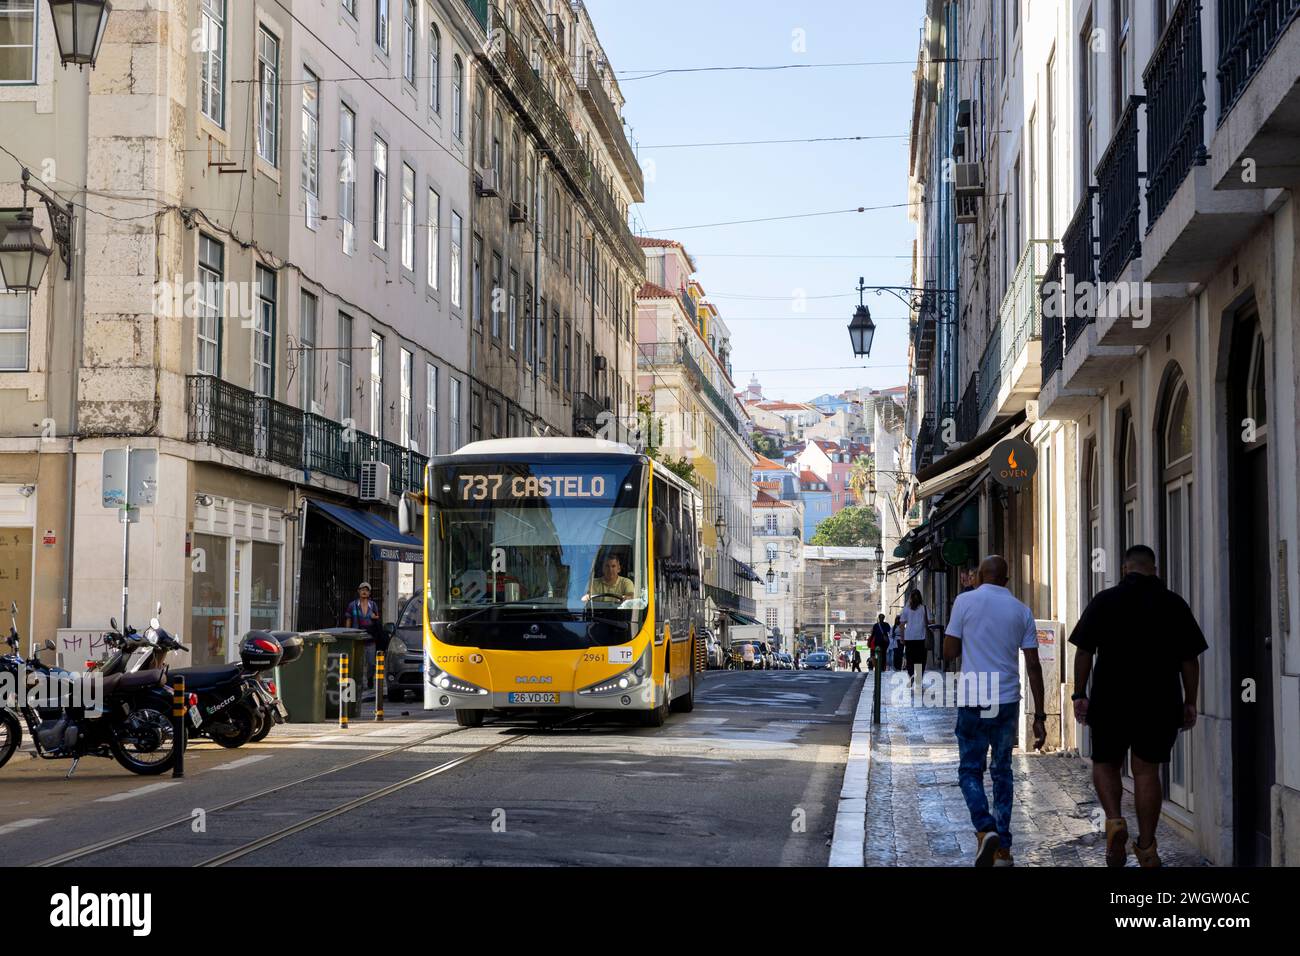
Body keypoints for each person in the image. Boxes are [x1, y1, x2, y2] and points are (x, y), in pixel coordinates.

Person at [1069, 544, 1206, 868]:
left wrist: (1079, 693)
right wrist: (1190, 701)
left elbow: (1084, 651)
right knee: (1146, 771)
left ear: (1125, 569)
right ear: (1154, 570)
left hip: (1110, 699)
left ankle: (1115, 821)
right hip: (1159, 702)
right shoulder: (1173, 604)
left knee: (1105, 763)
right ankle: (1146, 847)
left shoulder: (1104, 601)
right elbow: (1190, 660)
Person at [942, 555, 1046, 867]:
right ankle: (1003, 849)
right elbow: (1033, 665)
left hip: (974, 698)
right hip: (1006, 701)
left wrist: (969, 638)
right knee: (1002, 772)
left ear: (978, 577)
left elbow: (948, 652)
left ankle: (985, 828)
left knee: (970, 770)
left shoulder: (964, 602)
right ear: (1007, 578)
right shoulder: (1022, 611)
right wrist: (1039, 716)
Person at [345, 582, 383, 691]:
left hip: (370, 638)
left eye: (366, 590)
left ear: (369, 592)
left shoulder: (373, 605)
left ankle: (370, 678)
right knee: (358, 663)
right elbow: (348, 618)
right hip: (357, 639)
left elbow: (377, 618)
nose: (364, 591)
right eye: (362, 589)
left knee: (371, 663)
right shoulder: (352, 605)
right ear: (358, 591)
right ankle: (359, 683)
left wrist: (374, 617)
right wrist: (348, 633)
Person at [899, 590, 931, 686]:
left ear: (910, 598)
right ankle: (918, 678)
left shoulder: (906, 609)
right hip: (921, 637)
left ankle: (912, 674)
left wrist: (902, 638)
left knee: (910, 659)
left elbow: (901, 625)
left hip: (909, 638)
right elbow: (931, 620)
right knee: (921, 659)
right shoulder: (924, 608)